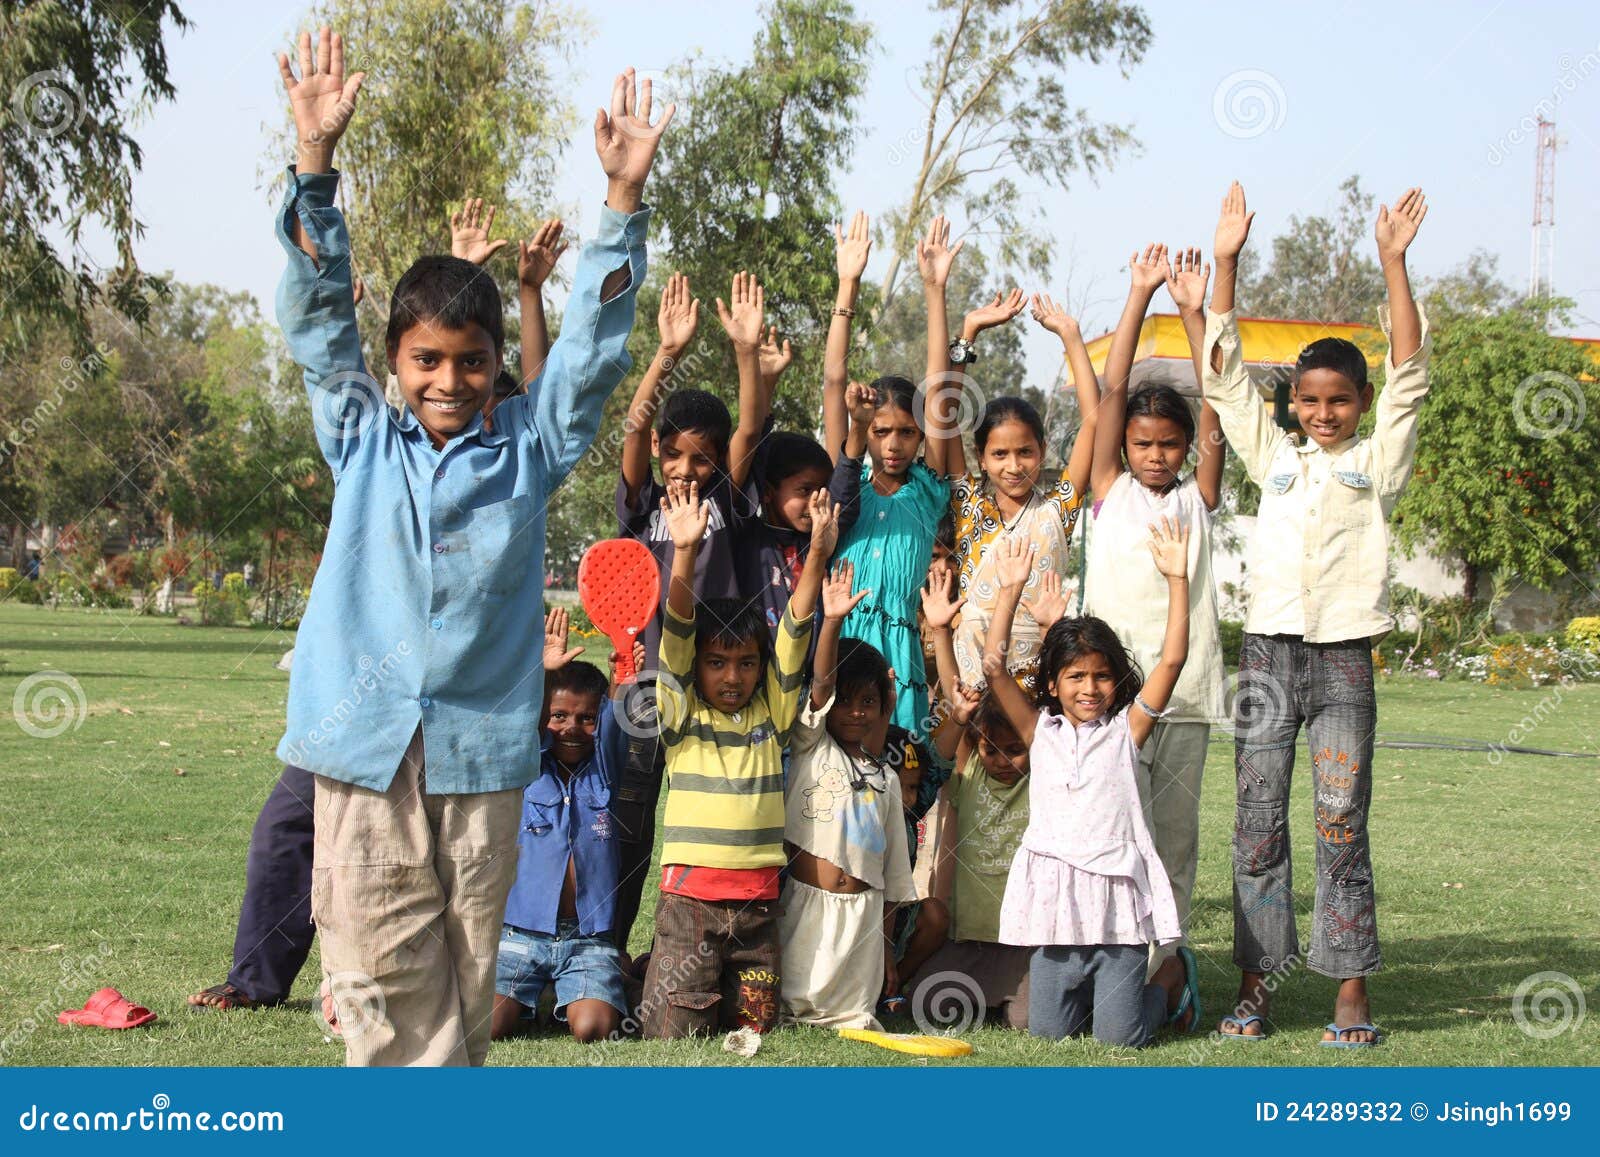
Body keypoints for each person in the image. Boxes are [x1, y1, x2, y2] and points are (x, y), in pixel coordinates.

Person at [272, 28, 668, 1065]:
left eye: (473, 359)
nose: (449, 379)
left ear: (497, 362)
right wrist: (315, 167)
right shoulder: (361, 434)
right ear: (396, 361)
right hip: (362, 749)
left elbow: (584, 360)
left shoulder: (525, 449)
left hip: (484, 755)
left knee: (459, 974)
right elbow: (318, 323)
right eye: (426, 359)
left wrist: (619, 206)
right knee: (367, 973)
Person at [1202, 182, 1430, 1047]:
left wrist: (1395, 262)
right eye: (1309, 399)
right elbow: (1221, 377)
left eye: (1338, 400)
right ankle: (1257, 989)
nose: (1323, 412)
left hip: (1343, 663)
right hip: (1267, 657)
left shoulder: (1377, 463)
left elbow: (1410, 371)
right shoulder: (1276, 460)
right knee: (1257, 823)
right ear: (1293, 403)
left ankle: (1349, 998)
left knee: (1340, 822)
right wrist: (1225, 262)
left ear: (1359, 406)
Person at [983, 531, 1201, 1047]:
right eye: (1076, 676)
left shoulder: (1128, 729)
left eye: (1102, 676)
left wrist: (1176, 578)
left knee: (1119, 1038)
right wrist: (1010, 588)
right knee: (1046, 1033)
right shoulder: (1040, 732)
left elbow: (1172, 661)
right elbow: (994, 666)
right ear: (1053, 683)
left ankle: (1169, 980)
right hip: (1058, 913)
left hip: (1117, 914)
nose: (1090, 688)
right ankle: (1090, 998)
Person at [638, 483, 838, 1038]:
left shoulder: (772, 713)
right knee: (676, 1029)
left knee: (755, 1029)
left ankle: (654, 976)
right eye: (717, 663)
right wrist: (684, 550)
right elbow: (676, 632)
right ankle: (646, 978)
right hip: (689, 907)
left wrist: (817, 554)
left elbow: (795, 634)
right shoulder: (679, 713)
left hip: (757, 911)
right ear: (696, 668)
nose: (733, 677)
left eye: (747, 664)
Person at [609, 270, 769, 952]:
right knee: (629, 822)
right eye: (672, 454)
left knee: (715, 831)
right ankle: (607, 946)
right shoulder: (643, 506)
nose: (684, 467)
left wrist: (745, 352)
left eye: (700, 458)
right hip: (648, 690)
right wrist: (665, 355)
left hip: (719, 696)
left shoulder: (727, 506)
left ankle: (717, 951)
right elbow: (634, 426)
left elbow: (753, 427)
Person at [1084, 243, 1227, 976]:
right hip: (1112, 696)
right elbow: (1110, 394)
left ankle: (1165, 963)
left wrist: (1195, 311)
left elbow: (1220, 400)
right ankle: (1111, 959)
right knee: (1112, 829)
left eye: (1170, 444)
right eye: (1144, 442)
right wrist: (1140, 295)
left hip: (1188, 695)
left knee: (1172, 835)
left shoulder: (1199, 499)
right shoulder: (1109, 488)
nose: (1157, 454)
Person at [919, 215, 1100, 687]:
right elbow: (942, 413)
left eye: (1025, 453)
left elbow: (1096, 421)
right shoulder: (968, 502)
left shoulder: (1058, 509)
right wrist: (969, 331)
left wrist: (1071, 337)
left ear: (1041, 453)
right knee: (959, 765)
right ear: (981, 458)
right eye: (999, 455)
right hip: (967, 678)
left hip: (1038, 685)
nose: (1014, 466)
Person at [823, 212, 951, 739]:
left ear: (921, 437)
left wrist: (934, 290)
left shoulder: (927, 492)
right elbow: (834, 381)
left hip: (900, 661)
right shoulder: (846, 477)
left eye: (905, 432)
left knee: (897, 788)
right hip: (838, 643)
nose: (892, 444)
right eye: (880, 432)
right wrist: (848, 284)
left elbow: (940, 388)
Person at [780, 564, 916, 1030]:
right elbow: (820, 687)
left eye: (869, 703)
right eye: (847, 700)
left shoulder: (887, 780)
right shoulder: (811, 745)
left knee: (852, 1018)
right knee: (798, 1007)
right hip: (808, 910)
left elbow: (895, 878)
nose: (856, 712)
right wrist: (833, 620)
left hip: (863, 922)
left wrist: (887, 950)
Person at [491, 611, 635, 1044]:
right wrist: (543, 674)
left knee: (592, 1030)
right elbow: (525, 727)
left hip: (586, 940)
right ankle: (541, 993)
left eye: (586, 718)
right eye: (559, 716)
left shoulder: (604, 771)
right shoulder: (528, 767)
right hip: (520, 933)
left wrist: (622, 674)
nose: (572, 728)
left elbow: (614, 728)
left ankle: (595, 982)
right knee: (488, 1025)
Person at [904, 683, 1034, 1030]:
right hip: (969, 943)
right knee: (926, 1002)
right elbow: (951, 740)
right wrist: (944, 637)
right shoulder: (970, 774)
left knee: (1027, 1021)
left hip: (1024, 947)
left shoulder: (1042, 780)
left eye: (1015, 749)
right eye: (991, 750)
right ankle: (989, 997)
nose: (1003, 761)